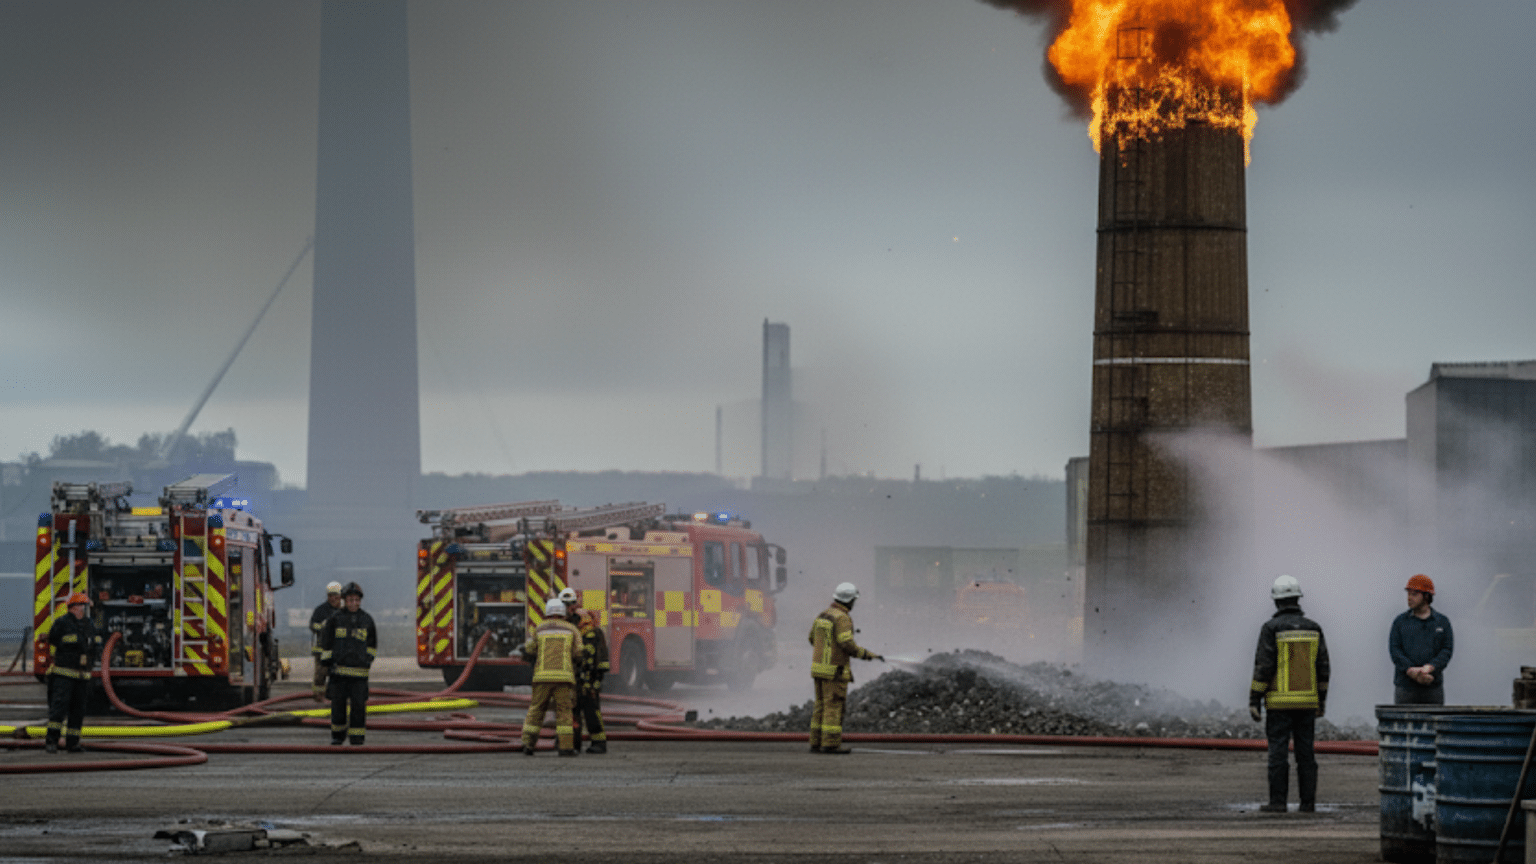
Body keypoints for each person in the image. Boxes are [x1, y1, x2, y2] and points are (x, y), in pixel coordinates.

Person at [1249, 574, 1331, 814]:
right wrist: (1321, 701)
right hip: (1307, 703)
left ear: (1276, 601)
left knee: (1278, 753)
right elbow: (1324, 668)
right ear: (1297, 599)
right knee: (1306, 754)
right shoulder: (1314, 628)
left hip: (1278, 703)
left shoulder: (1271, 628)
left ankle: (1278, 803)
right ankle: (1308, 804)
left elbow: (1263, 667)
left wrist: (1254, 700)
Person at [808, 582, 882, 755]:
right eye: (854, 600)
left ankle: (816, 743)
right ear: (849, 600)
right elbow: (846, 643)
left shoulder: (823, 615)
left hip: (818, 669)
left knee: (820, 706)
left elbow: (812, 638)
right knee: (833, 706)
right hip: (834, 671)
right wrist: (866, 654)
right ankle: (831, 744)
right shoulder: (842, 618)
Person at [519, 597, 583, 756]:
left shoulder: (539, 629)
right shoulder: (571, 629)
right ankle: (566, 748)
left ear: (547, 612)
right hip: (564, 678)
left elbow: (529, 649)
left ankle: (528, 745)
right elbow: (579, 652)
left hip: (542, 677)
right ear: (563, 613)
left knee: (536, 709)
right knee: (564, 712)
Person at [318, 582, 376, 746]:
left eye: (356, 600)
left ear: (360, 601)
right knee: (338, 707)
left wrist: (367, 661)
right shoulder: (335, 619)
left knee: (358, 708)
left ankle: (357, 737)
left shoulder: (367, 620)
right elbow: (327, 643)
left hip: (359, 675)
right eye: (350, 600)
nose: (353, 603)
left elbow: (372, 646)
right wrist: (328, 662)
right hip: (339, 674)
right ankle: (337, 736)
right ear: (345, 600)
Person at [44, 592, 99, 754]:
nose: (84, 609)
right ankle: (51, 741)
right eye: (82, 605)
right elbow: (53, 639)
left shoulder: (89, 624)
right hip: (64, 675)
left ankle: (72, 743)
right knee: (59, 710)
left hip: (82, 676)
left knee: (78, 711)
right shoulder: (62, 623)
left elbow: (95, 643)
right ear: (74, 607)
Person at [559, 589, 611, 755]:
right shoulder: (572, 632)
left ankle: (599, 743)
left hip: (589, 681)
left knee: (591, 712)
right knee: (573, 714)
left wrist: (596, 682)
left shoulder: (594, 634)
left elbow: (601, 660)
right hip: (575, 679)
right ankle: (573, 744)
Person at [1390, 573, 1453, 705]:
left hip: (1432, 687)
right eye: (1408, 594)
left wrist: (1430, 668)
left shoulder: (1442, 622)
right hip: (1405, 688)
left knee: (1434, 724)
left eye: (1414, 594)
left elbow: (1446, 650)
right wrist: (1410, 670)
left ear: (1426, 596)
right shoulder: (1400, 622)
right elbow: (1395, 649)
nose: (1409, 598)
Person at [309, 581, 343, 702]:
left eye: (335, 595)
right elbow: (312, 626)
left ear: (340, 596)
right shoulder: (321, 610)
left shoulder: (346, 610)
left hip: (340, 649)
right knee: (321, 674)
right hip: (323, 648)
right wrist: (323, 627)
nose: (333, 598)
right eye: (330, 595)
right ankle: (318, 696)